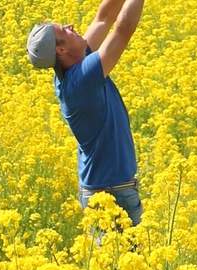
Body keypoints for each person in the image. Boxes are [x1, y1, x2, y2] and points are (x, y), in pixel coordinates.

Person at [26, 1, 145, 227]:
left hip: (108, 189)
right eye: (65, 30)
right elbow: (123, 30)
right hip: (110, 195)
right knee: (122, 261)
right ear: (61, 50)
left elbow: (104, 17)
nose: (71, 26)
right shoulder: (81, 80)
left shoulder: (74, 63)